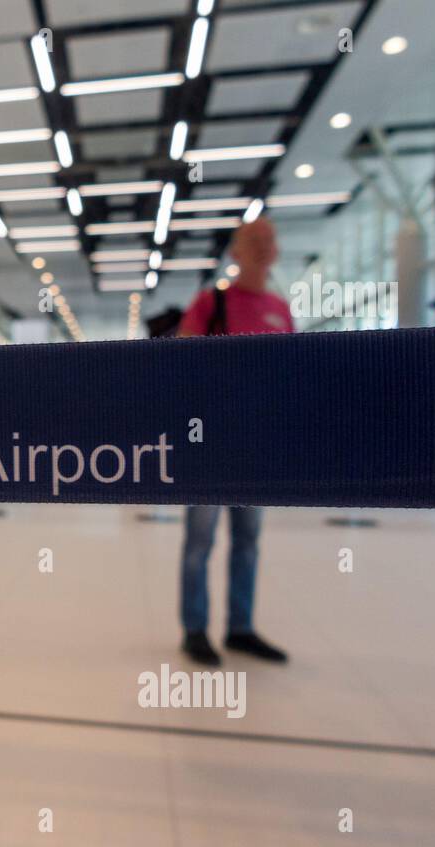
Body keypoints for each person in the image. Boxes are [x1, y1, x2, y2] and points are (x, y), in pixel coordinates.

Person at [175, 217, 292, 666]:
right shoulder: (212, 303)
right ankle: (195, 629)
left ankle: (240, 627)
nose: (263, 247)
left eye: (269, 240)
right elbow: (183, 358)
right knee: (199, 541)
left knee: (248, 539)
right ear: (235, 251)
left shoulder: (280, 310)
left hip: (256, 444)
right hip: (211, 443)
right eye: (253, 241)